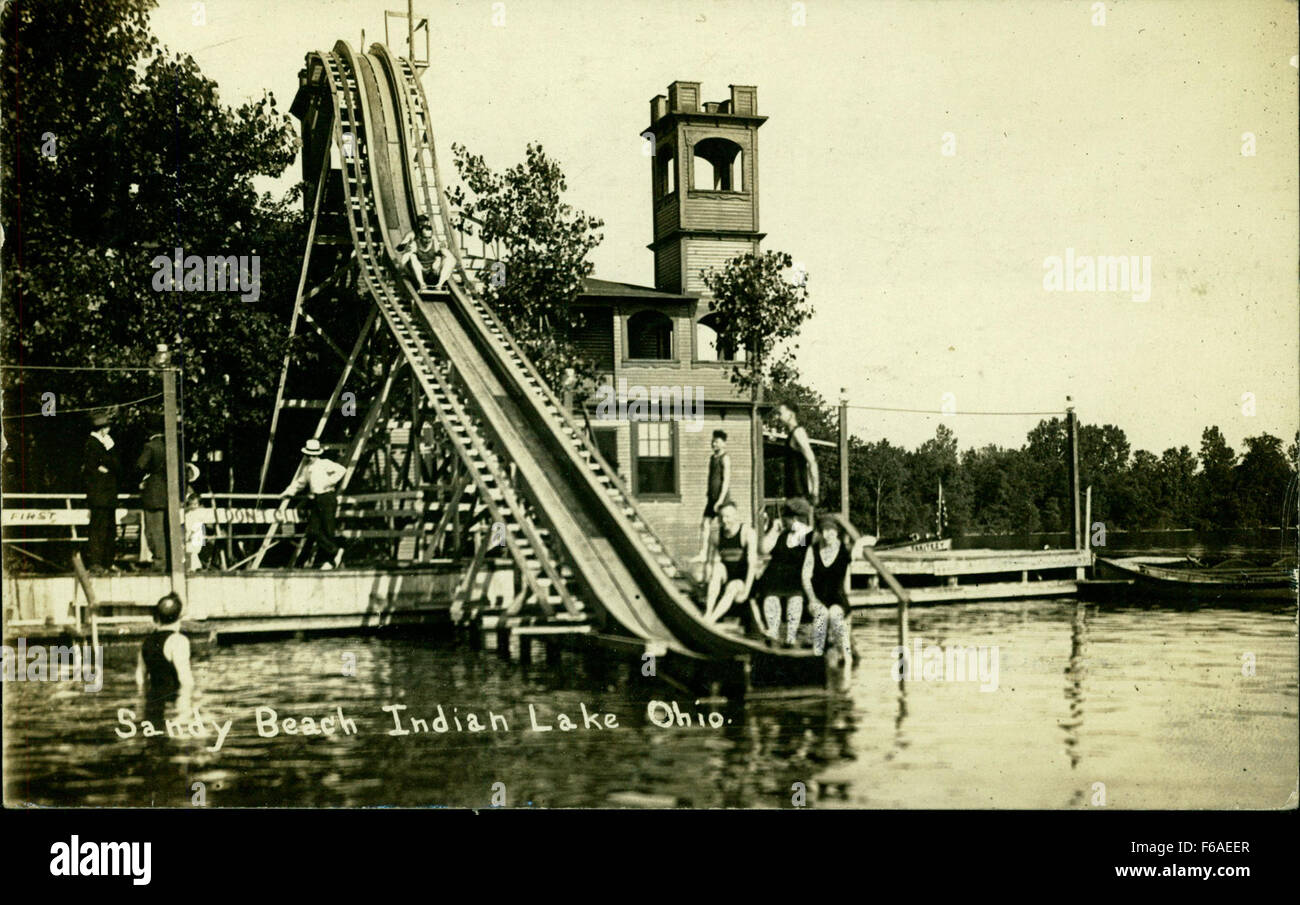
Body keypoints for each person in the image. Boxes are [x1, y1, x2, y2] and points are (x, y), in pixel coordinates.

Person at [280, 438, 347, 569]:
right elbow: (300, 483)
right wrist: (287, 492)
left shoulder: (324, 463)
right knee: (313, 530)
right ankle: (335, 552)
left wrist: (330, 481)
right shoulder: (307, 468)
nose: (310, 457)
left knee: (328, 530)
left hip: (327, 497)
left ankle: (330, 561)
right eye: (308, 454)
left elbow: (342, 470)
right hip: (316, 499)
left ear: (317, 454)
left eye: (313, 454)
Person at [757, 497, 813, 646]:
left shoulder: (806, 535)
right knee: (771, 596)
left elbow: (803, 548)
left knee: (795, 596)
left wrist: (799, 529)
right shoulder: (782, 534)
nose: (784, 520)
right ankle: (773, 632)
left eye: (786, 517)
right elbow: (763, 549)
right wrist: (773, 531)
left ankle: (791, 636)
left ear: (794, 518)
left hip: (796, 577)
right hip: (775, 577)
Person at [802, 515, 854, 674]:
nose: (827, 535)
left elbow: (847, 579)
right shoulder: (813, 549)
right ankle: (818, 657)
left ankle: (847, 658)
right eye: (824, 531)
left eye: (831, 531)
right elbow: (805, 576)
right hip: (818, 597)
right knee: (821, 613)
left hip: (838, 598)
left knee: (835, 614)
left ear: (836, 532)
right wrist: (811, 599)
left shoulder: (844, 550)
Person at [135, 592, 194, 704]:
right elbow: (185, 678)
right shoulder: (178, 641)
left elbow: (140, 678)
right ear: (179, 616)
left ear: (157, 617)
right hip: (173, 705)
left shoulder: (146, 642)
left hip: (152, 703)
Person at [702, 501, 756, 623]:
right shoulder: (715, 535)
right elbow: (709, 562)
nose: (724, 520)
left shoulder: (747, 533)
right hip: (726, 576)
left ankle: (711, 620)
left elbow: (752, 565)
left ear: (736, 516)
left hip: (742, 580)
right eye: (721, 517)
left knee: (733, 586)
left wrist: (746, 592)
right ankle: (708, 612)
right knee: (717, 567)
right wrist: (706, 581)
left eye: (728, 516)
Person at [82, 412, 120, 573]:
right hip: (100, 495)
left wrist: (108, 463)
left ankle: (106, 562)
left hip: (106, 495)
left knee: (109, 529)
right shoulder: (93, 444)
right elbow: (99, 467)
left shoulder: (102, 444)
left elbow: (113, 467)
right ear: (102, 429)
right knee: (99, 529)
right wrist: (109, 454)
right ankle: (97, 563)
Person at [691, 430, 732, 563]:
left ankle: (723, 555)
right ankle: (703, 554)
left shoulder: (725, 458)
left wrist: (720, 500)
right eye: (713, 441)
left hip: (722, 499)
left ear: (724, 443)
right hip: (712, 498)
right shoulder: (712, 458)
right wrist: (711, 497)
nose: (714, 444)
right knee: (705, 524)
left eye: (717, 442)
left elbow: (726, 481)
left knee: (724, 526)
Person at [135, 425, 169, 570]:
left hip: (153, 493)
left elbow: (140, 465)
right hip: (167, 493)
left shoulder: (150, 447)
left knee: (153, 531)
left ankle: (159, 563)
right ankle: (166, 562)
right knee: (163, 529)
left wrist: (143, 478)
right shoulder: (169, 447)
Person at [396, 215, 455, 293]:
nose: (427, 240)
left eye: (429, 238)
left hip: (432, 271)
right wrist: (403, 269)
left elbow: (443, 254)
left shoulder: (434, 240)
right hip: (420, 271)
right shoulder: (413, 238)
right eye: (425, 238)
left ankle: (439, 285)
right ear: (420, 236)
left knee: (449, 258)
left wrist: (439, 260)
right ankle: (422, 284)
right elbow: (403, 255)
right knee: (412, 257)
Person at [777, 401, 819, 506]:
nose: (778, 417)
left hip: (799, 494)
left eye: (780, 413)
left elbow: (812, 461)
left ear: (791, 414)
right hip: (792, 494)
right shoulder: (791, 434)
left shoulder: (798, 432)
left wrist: (815, 491)